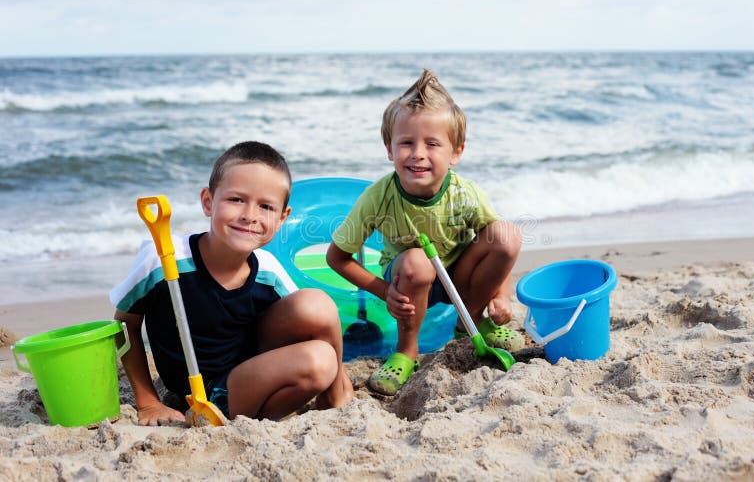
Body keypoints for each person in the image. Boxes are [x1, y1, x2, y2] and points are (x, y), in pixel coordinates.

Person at [111, 141, 353, 425]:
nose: (250, 215)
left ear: (281, 218)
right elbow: (123, 327)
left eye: (265, 206)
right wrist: (148, 401)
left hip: (253, 368)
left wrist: (336, 377)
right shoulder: (165, 260)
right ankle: (248, 416)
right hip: (205, 395)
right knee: (319, 361)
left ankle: (337, 394)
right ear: (208, 202)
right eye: (236, 199)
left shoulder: (268, 270)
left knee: (318, 305)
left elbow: (311, 326)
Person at [326, 69, 523, 396]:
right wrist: (383, 289)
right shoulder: (378, 197)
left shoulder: (466, 194)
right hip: (410, 281)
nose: (418, 153)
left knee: (506, 235)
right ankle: (407, 350)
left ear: (456, 152)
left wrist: (501, 296)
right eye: (406, 143)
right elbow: (337, 257)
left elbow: (496, 246)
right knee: (418, 261)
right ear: (389, 149)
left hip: (461, 281)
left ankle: (470, 322)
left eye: (432, 143)